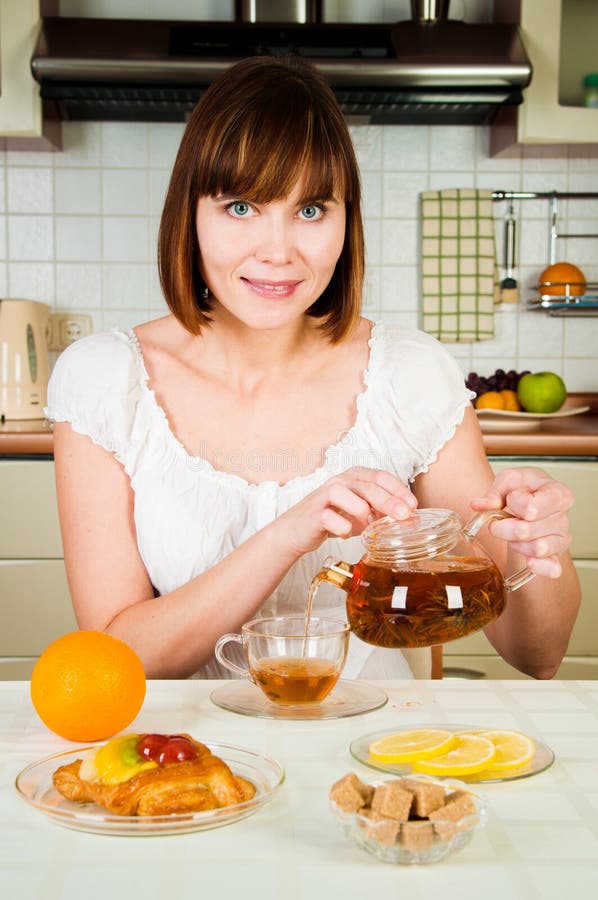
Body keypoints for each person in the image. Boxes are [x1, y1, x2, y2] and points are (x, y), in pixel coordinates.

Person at [46, 56, 580, 681]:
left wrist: (536, 545)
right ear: (190, 214)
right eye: (241, 207)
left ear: (345, 222)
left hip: (380, 764)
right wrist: (285, 535)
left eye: (310, 211)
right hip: (193, 768)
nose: (278, 253)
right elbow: (118, 662)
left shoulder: (410, 375)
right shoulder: (104, 382)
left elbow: (537, 655)